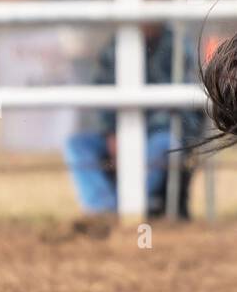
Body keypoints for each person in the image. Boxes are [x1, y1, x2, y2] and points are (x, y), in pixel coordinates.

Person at [63, 20, 204, 218]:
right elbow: (102, 92)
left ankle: (127, 209)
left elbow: (182, 106)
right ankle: (102, 209)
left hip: (161, 131)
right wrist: (111, 132)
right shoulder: (117, 46)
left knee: (165, 143)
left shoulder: (179, 45)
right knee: (77, 145)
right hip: (120, 130)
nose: (151, 0)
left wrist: (136, 132)